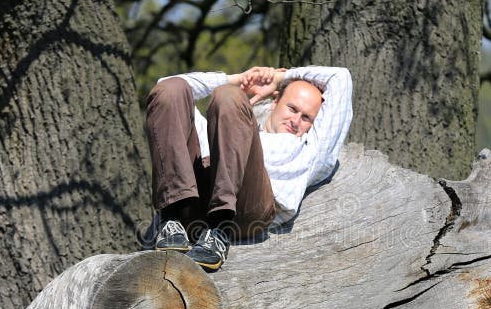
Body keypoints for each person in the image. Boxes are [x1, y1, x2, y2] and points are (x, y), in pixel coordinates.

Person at [144, 65, 353, 270]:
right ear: (276, 101)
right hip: (194, 202)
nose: (296, 121)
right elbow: (165, 87)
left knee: (229, 97)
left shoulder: (311, 149)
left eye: (306, 118)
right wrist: (235, 80)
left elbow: (340, 78)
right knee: (171, 91)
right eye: (292, 109)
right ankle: (171, 220)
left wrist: (279, 78)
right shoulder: (226, 126)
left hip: (245, 211)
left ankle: (219, 228)